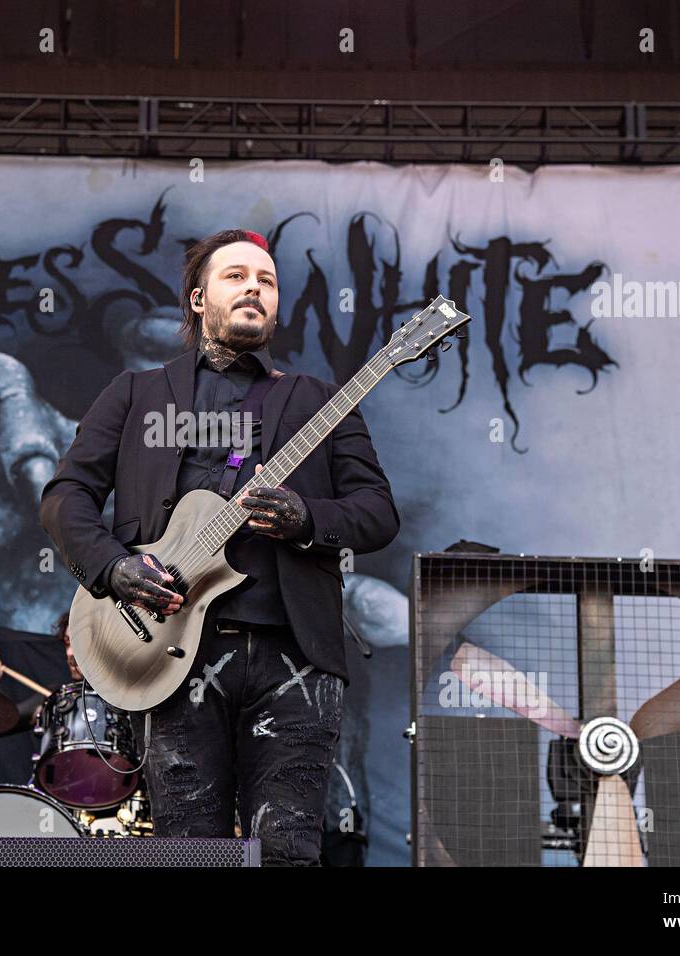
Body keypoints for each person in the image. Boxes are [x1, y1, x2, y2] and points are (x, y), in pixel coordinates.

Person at [38, 229, 400, 865]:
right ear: (198, 299)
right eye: (236, 276)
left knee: (288, 850)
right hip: (169, 653)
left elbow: (376, 512)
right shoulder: (135, 394)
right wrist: (113, 568)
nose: (254, 288)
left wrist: (306, 517)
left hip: (295, 655)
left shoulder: (316, 400)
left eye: (266, 280)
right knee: (188, 850)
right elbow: (65, 496)